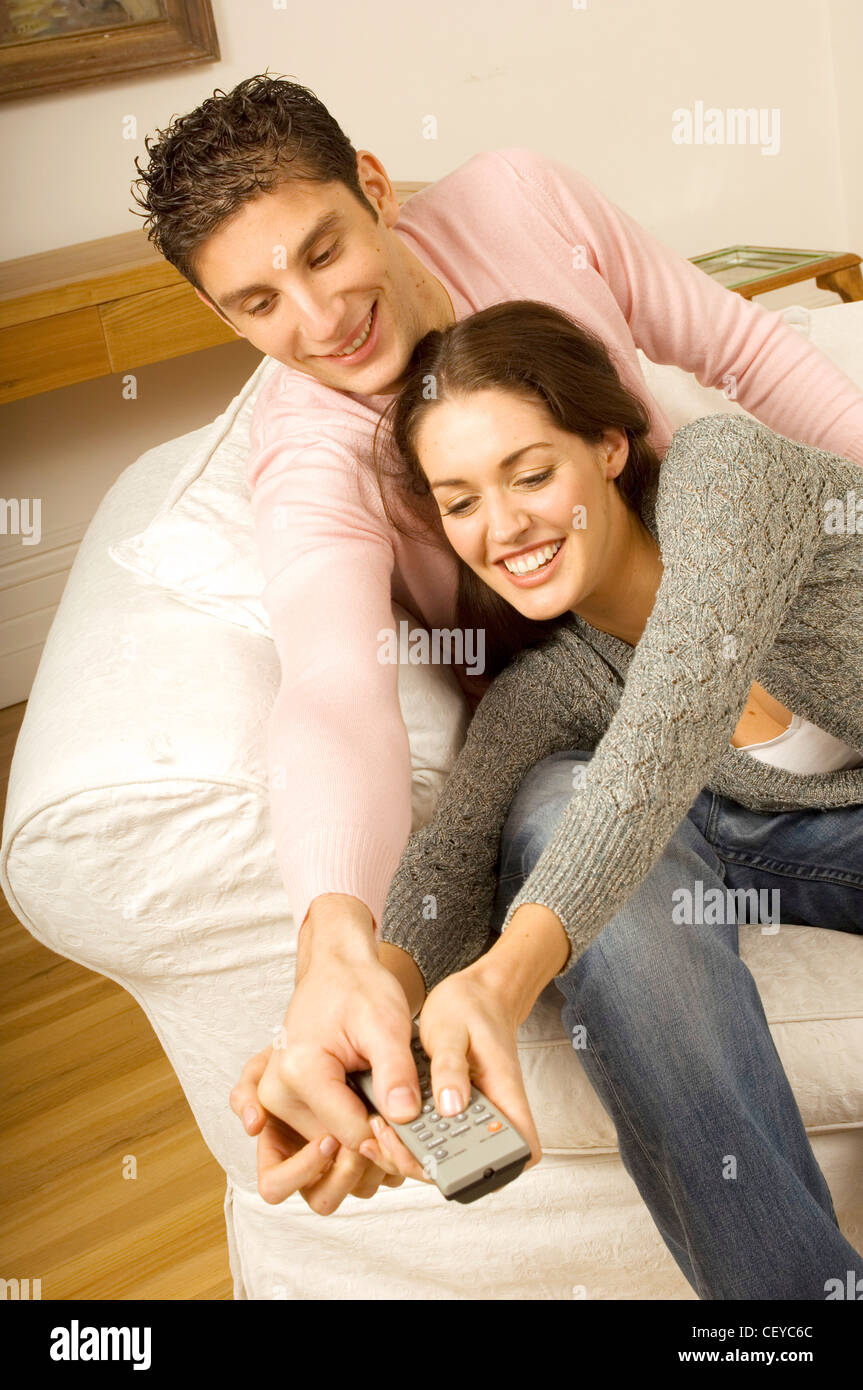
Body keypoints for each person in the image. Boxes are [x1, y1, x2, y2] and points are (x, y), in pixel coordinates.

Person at [132, 72, 863, 1218]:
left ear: (373, 187)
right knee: (560, 817)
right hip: (601, 723)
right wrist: (346, 961)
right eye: (255, 304)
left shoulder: (533, 218)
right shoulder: (316, 460)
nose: (316, 323)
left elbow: (746, 354)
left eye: (321, 252)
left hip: (711, 669)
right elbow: (335, 688)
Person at [364, 299, 863, 1299]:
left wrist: (506, 974)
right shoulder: (548, 685)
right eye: (458, 501)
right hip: (760, 847)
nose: (501, 528)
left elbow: (671, 716)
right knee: (551, 801)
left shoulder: (727, 478)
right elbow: (451, 857)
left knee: (601, 786)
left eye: (531, 474)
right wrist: (364, 1019)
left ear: (607, 445)